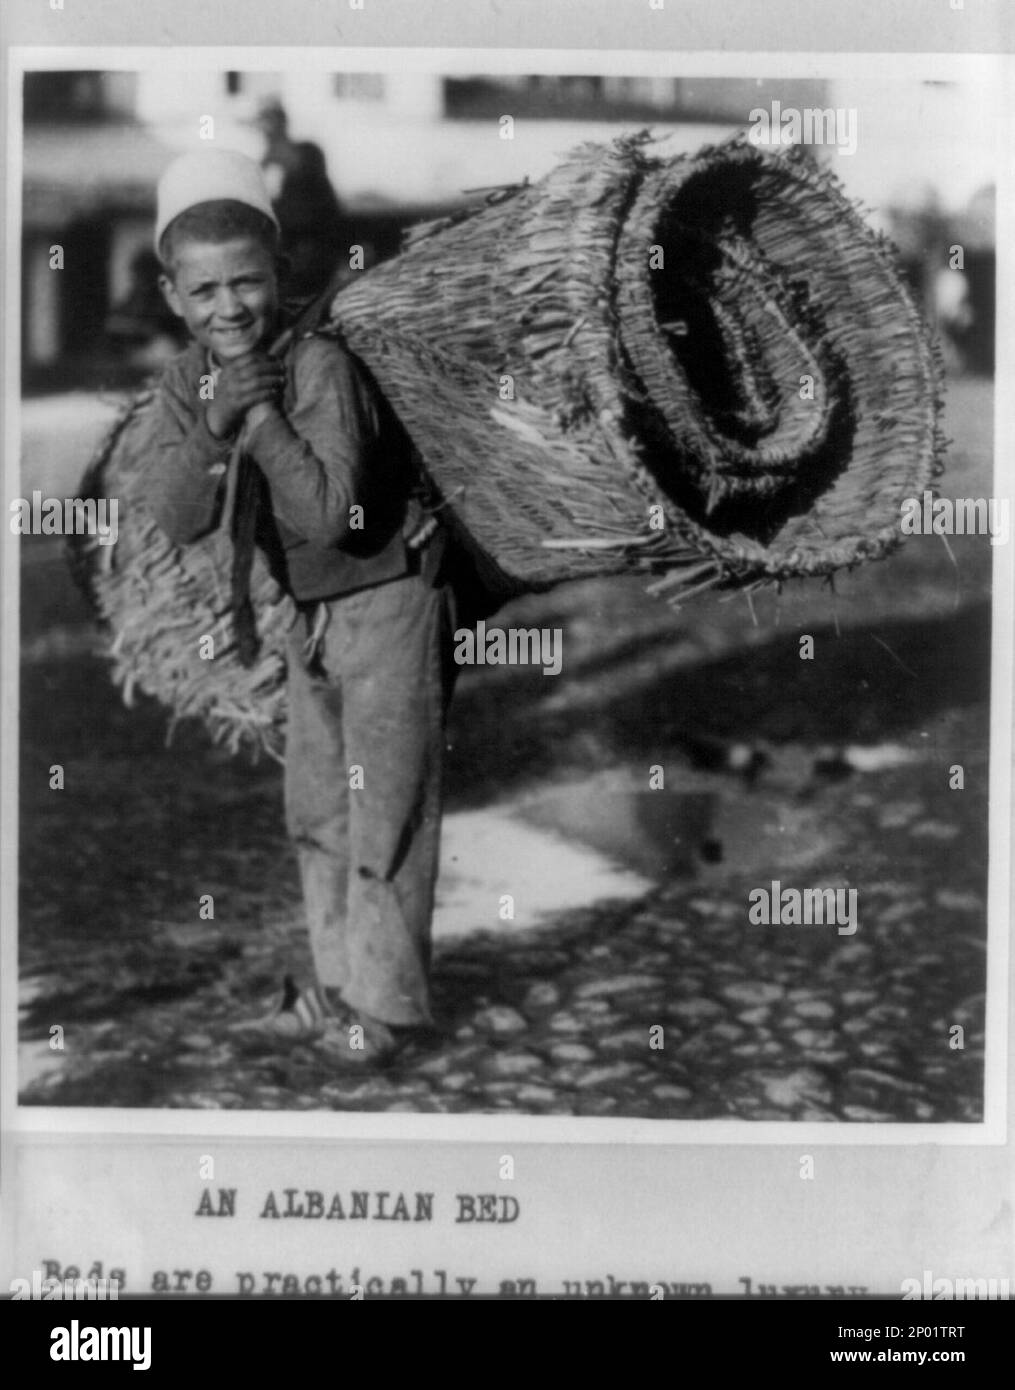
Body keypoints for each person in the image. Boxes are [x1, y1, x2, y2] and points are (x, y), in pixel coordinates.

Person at [143, 148, 455, 1067]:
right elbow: (175, 513)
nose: (228, 308)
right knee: (317, 811)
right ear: (173, 297)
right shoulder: (188, 382)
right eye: (203, 293)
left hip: (388, 596)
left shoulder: (318, 364)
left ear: (278, 274)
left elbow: (333, 513)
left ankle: (388, 1010)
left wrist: (261, 418)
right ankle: (339, 990)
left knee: (386, 811)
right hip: (310, 617)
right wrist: (212, 421)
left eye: (246, 282)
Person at [254, 97, 345, 300]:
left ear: (282, 122)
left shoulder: (306, 153)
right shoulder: (266, 163)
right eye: (263, 122)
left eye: (271, 120)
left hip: (313, 248)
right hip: (288, 250)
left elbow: (321, 208)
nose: (267, 128)